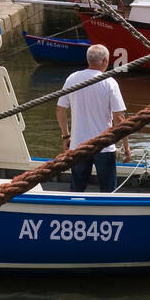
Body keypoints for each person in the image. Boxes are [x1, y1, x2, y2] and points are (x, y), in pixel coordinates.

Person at [56, 43, 129, 193]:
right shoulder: (109, 83)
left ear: (88, 60)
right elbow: (119, 118)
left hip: (79, 145)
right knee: (108, 190)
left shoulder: (72, 79)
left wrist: (66, 136)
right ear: (105, 61)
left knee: (77, 188)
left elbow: (60, 110)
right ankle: (107, 213)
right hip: (104, 146)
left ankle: (75, 211)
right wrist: (126, 147)